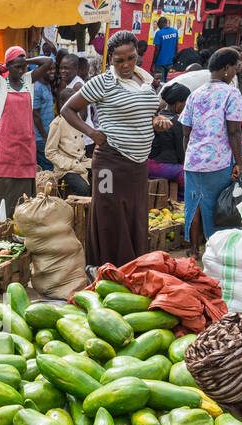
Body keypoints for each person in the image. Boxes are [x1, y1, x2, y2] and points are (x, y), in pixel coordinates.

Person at [61, 30, 167, 266]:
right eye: (119, 60)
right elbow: (67, 109)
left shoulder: (144, 80)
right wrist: (92, 133)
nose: (126, 65)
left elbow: (147, 112)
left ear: (137, 55)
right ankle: (106, 268)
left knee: (135, 214)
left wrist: (156, 122)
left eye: (131, 58)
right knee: (109, 212)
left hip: (138, 164)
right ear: (110, 60)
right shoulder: (102, 82)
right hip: (110, 163)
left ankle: (131, 268)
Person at [177, 46, 242, 249]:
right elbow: (234, 132)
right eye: (235, 68)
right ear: (226, 68)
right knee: (217, 206)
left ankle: (193, 250)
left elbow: (186, 133)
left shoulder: (195, 94)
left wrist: (188, 157)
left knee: (194, 206)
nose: (235, 73)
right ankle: (215, 250)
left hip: (193, 162)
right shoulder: (232, 94)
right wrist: (239, 162)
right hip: (218, 161)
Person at [0, 45, 53, 221]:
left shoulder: (27, 80)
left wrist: (25, 60)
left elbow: (48, 62)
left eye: (23, 67)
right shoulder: (0, 83)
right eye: (17, 67)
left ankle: (19, 223)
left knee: (23, 190)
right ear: (8, 65)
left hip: (26, 144)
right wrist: (0, 66)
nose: (21, 71)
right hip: (6, 144)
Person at [45, 96, 91, 196]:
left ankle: (100, 208)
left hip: (82, 162)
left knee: (105, 172)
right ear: (62, 104)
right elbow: (50, 152)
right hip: (65, 168)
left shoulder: (76, 119)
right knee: (83, 188)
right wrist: (70, 164)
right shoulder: (57, 123)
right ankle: (72, 209)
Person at [147, 82, 187, 188]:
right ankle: (180, 200)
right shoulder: (177, 122)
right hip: (162, 168)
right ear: (178, 103)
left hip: (147, 164)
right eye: (185, 102)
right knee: (188, 173)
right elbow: (181, 152)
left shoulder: (156, 117)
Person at [32, 59, 57, 171]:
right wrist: (44, 136)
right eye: (49, 69)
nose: (52, 72)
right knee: (47, 170)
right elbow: (35, 115)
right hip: (40, 138)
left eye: (53, 68)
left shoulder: (47, 85)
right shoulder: (37, 87)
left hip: (47, 136)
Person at [150, 17, 180, 83]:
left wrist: (152, 64)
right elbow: (176, 47)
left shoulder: (159, 33)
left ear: (161, 23)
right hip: (171, 62)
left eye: (158, 25)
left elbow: (157, 50)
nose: (158, 27)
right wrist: (175, 60)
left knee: (160, 83)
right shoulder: (175, 32)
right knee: (169, 82)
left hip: (160, 62)